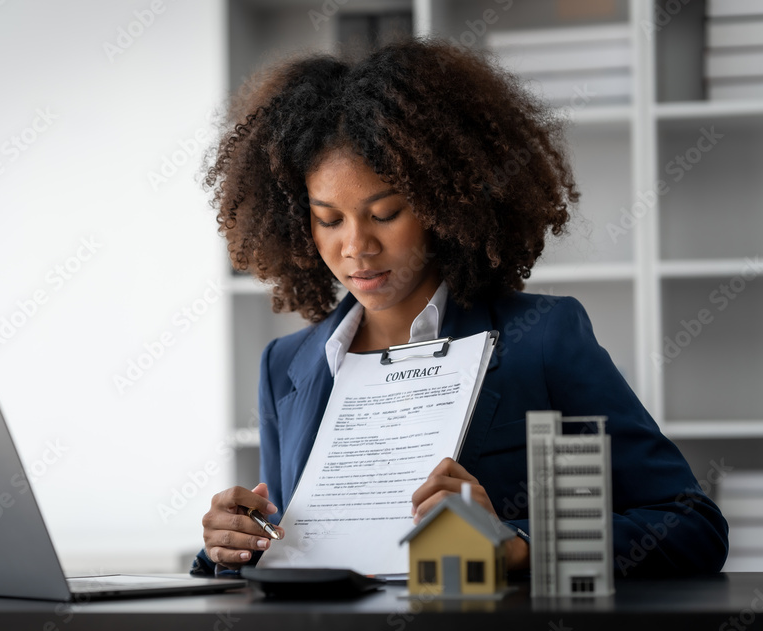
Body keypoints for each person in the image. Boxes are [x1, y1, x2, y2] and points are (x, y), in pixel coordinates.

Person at [192, 38, 728, 577]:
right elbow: (288, 546)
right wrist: (233, 544)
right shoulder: (286, 365)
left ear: (443, 204)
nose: (356, 246)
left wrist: (518, 546)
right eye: (329, 220)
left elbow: (690, 525)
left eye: (385, 213)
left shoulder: (542, 338)